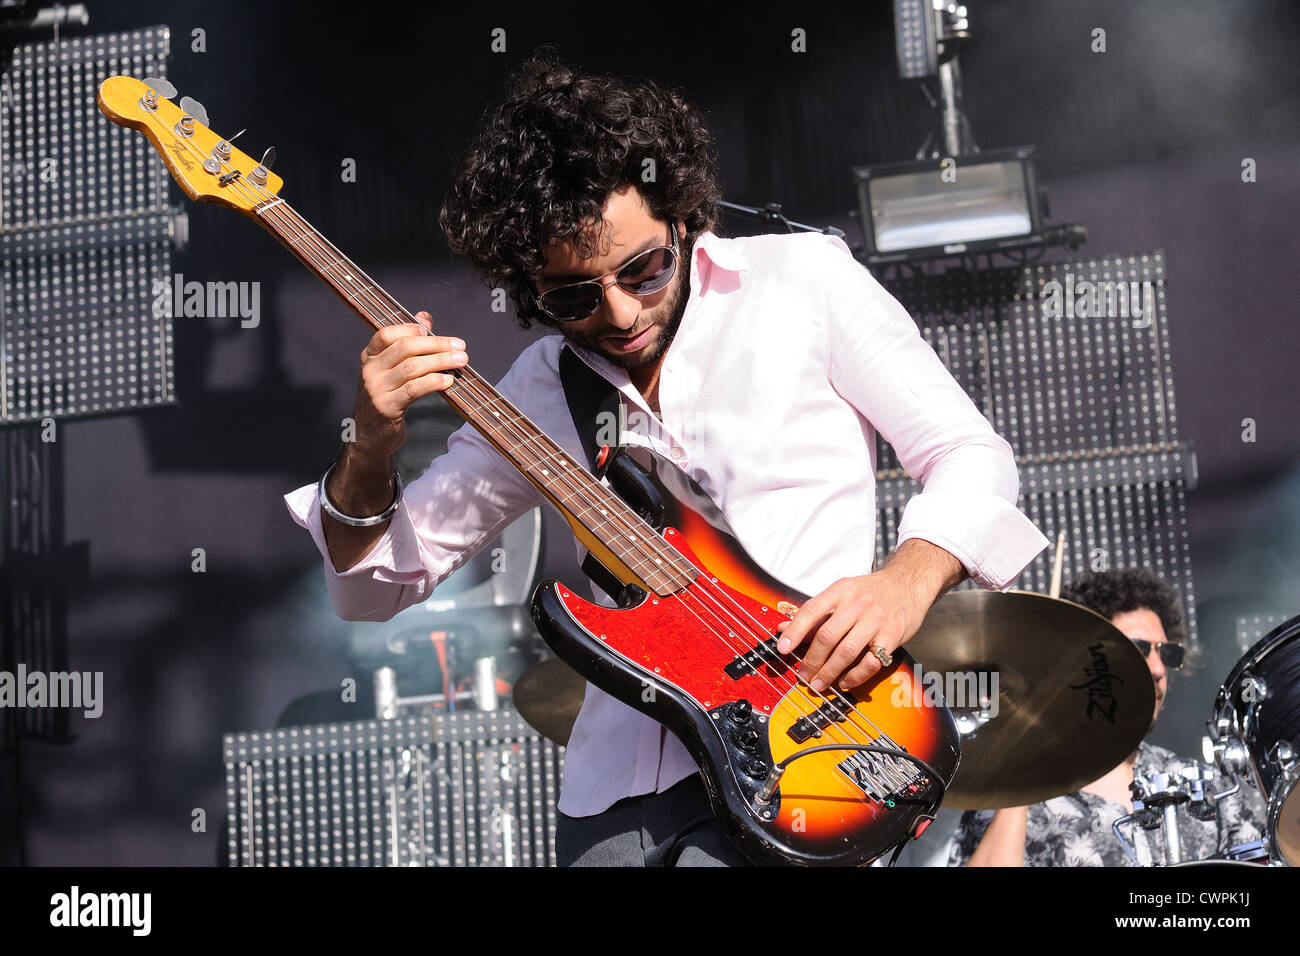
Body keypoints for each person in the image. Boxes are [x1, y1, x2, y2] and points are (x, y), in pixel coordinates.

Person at [283, 48, 1049, 866]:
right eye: (574, 296)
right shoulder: (536, 392)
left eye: (643, 268)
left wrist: (908, 581)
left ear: (683, 214)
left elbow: (970, 452)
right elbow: (372, 588)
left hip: (812, 753)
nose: (620, 313)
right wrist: (372, 446)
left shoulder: (804, 285)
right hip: (616, 800)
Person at [950, 568, 1266, 867]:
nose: (1158, 670)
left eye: (1166, 653)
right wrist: (1022, 776)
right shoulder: (1020, 795)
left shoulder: (1205, 786)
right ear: (1087, 663)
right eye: (1139, 649)